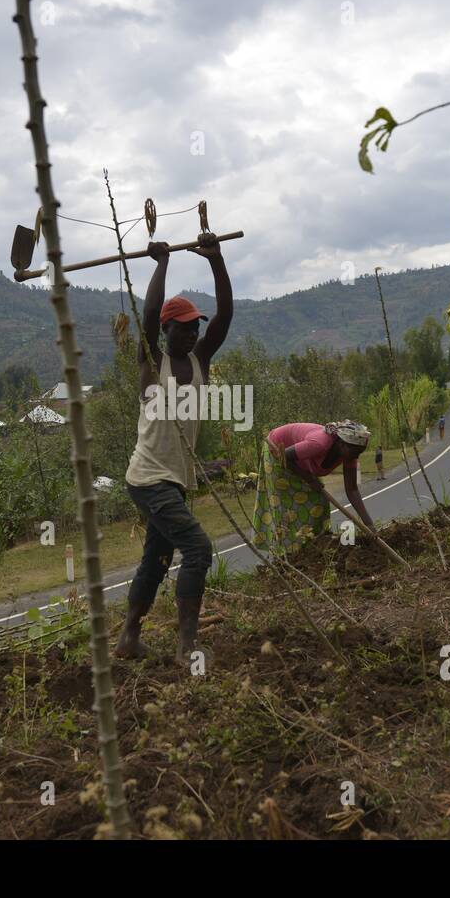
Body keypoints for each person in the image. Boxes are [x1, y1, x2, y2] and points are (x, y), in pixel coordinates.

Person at [115, 233, 233, 664]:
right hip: (148, 478)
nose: (191, 333)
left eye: (194, 327)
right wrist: (160, 263)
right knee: (199, 549)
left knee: (158, 558)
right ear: (165, 330)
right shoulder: (152, 362)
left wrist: (216, 260)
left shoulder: (200, 361)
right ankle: (186, 646)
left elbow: (226, 316)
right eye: (183, 327)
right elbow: (146, 312)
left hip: (173, 482)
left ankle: (128, 638)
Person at [254, 420, 375, 555]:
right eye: (354, 452)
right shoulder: (319, 444)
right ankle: (288, 553)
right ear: (341, 444)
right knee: (286, 506)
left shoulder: (350, 452)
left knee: (319, 501)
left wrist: (369, 525)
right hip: (276, 452)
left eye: (359, 453)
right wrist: (309, 479)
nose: (356, 456)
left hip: (297, 462)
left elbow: (352, 490)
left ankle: (313, 545)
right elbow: (282, 456)